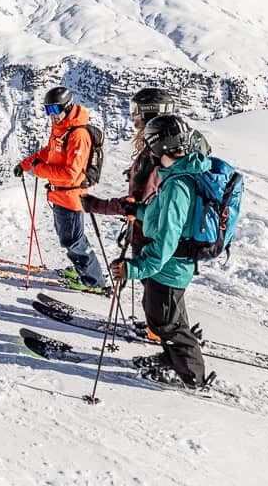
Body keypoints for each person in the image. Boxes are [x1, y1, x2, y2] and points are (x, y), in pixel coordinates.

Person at [108, 113, 214, 389]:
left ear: (159, 147)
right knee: (163, 316)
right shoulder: (176, 176)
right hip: (170, 267)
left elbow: (167, 237)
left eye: (150, 145)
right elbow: (162, 218)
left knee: (167, 324)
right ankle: (172, 359)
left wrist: (135, 268)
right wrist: (139, 211)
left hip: (169, 268)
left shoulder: (177, 185)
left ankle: (192, 377)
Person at [81, 88, 210, 256]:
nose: (133, 116)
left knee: (144, 271)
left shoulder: (157, 155)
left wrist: (96, 205)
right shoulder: (175, 149)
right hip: (167, 237)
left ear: (150, 112)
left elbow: (138, 203)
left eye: (137, 110)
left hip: (149, 237)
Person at [13, 86, 107, 293]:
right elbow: (49, 152)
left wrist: (39, 170)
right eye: (48, 110)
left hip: (71, 196)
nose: (51, 115)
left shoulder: (78, 135)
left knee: (73, 241)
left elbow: (71, 173)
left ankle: (94, 282)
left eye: (55, 109)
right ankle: (82, 269)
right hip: (59, 194)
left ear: (67, 107)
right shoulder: (61, 129)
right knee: (69, 238)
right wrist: (26, 164)